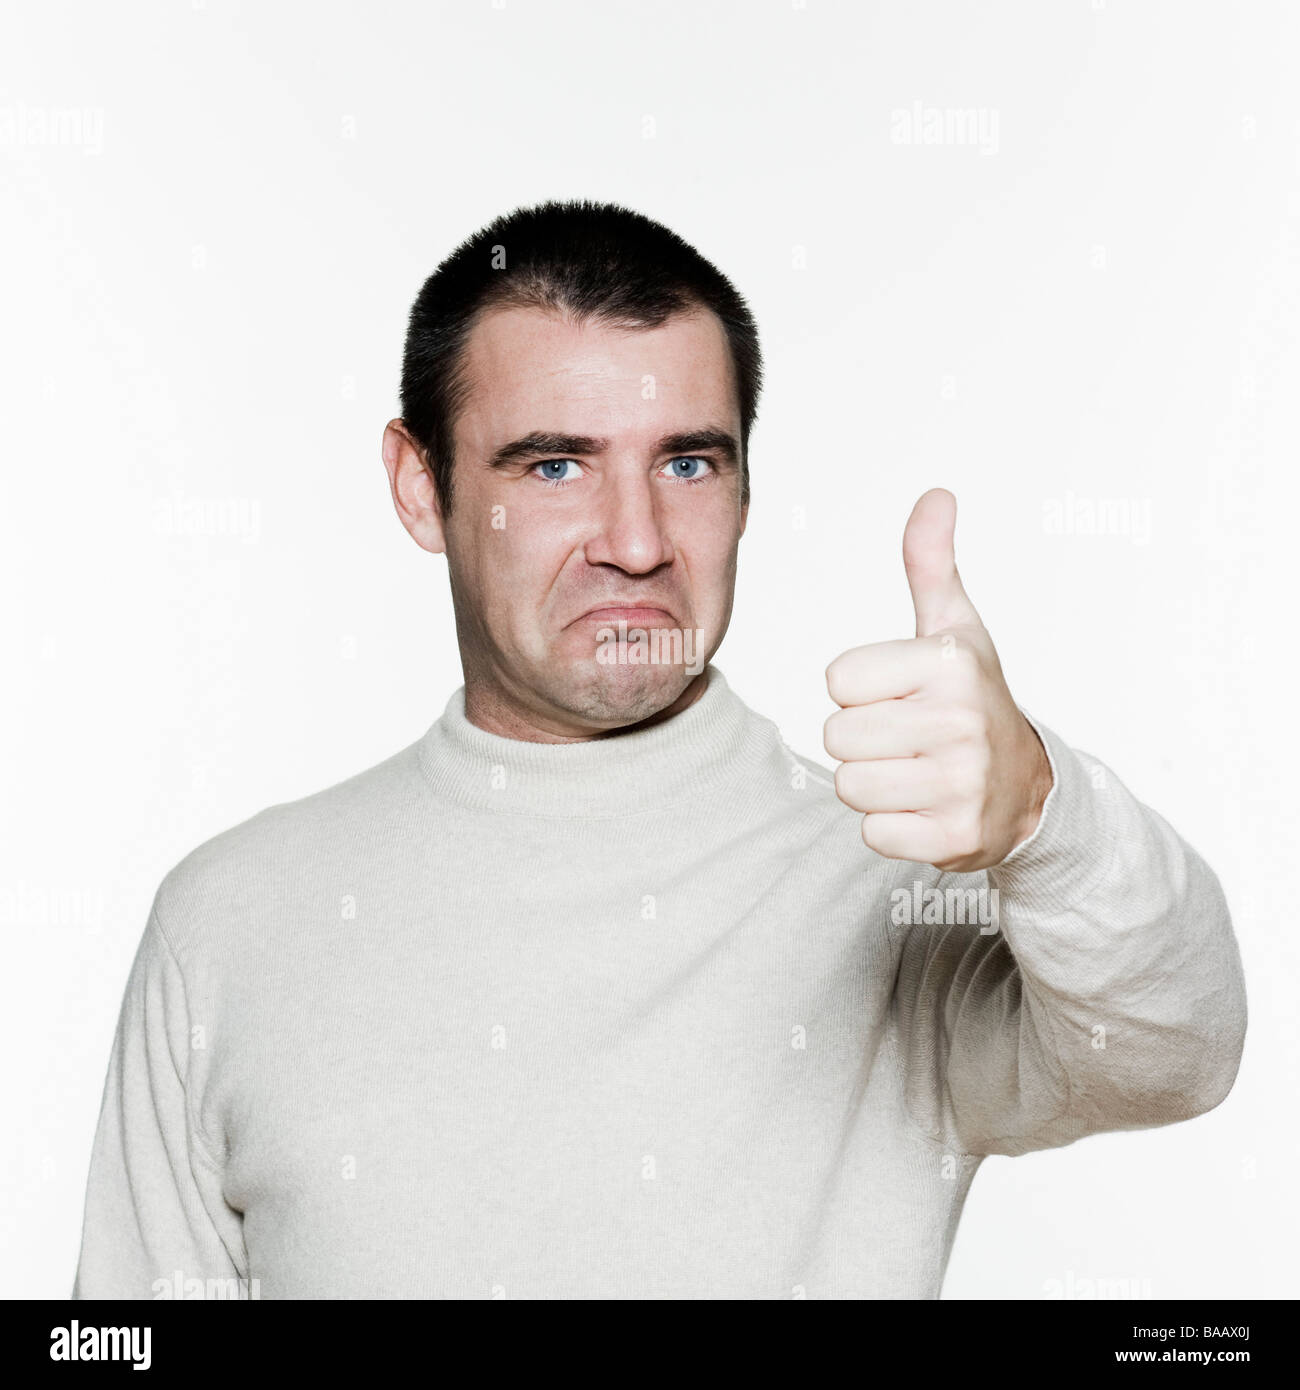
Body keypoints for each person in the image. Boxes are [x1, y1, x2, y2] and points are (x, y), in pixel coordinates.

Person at [73, 199, 1247, 1300]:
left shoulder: (890, 880)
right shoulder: (233, 919)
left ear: (743, 490)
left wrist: (1045, 815)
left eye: (688, 462)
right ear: (420, 486)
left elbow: (1176, 1051)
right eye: (553, 464)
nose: (635, 542)